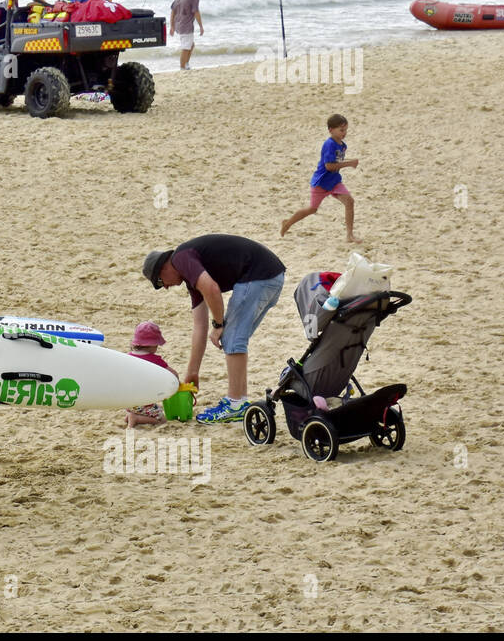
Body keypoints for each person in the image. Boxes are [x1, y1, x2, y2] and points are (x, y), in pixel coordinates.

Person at [142, 234, 285, 424]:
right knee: (235, 340)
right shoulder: (191, 278)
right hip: (271, 275)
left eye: (160, 282)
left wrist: (218, 325)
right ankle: (240, 402)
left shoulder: (180, 259)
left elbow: (212, 289)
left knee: (232, 338)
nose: (165, 287)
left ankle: (234, 404)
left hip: (258, 274)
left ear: (164, 266)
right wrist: (193, 371)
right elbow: (199, 327)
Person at [281, 114, 361, 242]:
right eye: (341, 130)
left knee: (349, 202)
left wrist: (348, 162)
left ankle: (349, 235)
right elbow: (329, 166)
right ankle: (288, 222)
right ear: (330, 130)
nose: (344, 133)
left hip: (334, 182)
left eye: (345, 130)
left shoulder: (342, 145)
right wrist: (349, 163)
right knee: (312, 209)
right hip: (321, 182)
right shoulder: (329, 144)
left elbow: (336, 162)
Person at [125, 321, 177, 428]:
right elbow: (173, 374)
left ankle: (130, 415)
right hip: (144, 402)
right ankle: (137, 418)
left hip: (127, 402)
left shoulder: (128, 357)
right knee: (161, 419)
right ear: (153, 345)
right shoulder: (154, 360)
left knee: (150, 407)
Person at [169, 0, 204, 70]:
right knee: (186, 47)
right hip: (186, 26)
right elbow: (196, 12)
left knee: (191, 45)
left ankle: (186, 63)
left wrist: (172, 26)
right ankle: (182, 67)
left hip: (178, 24)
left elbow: (173, 11)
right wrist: (201, 26)